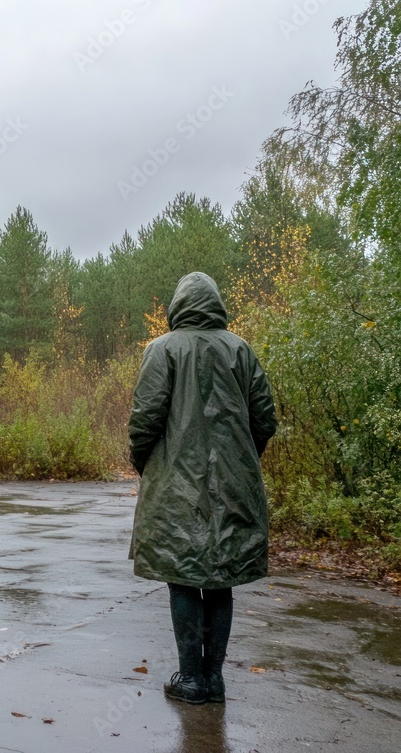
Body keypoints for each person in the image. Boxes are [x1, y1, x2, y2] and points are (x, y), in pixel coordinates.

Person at [128, 271, 278, 704]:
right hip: (234, 484)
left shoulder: (163, 350)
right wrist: (240, 462)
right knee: (220, 579)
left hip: (177, 483)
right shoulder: (239, 349)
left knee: (181, 576)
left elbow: (145, 420)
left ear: (178, 306)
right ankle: (214, 679)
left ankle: (191, 680)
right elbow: (264, 418)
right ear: (215, 304)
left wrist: (149, 466)